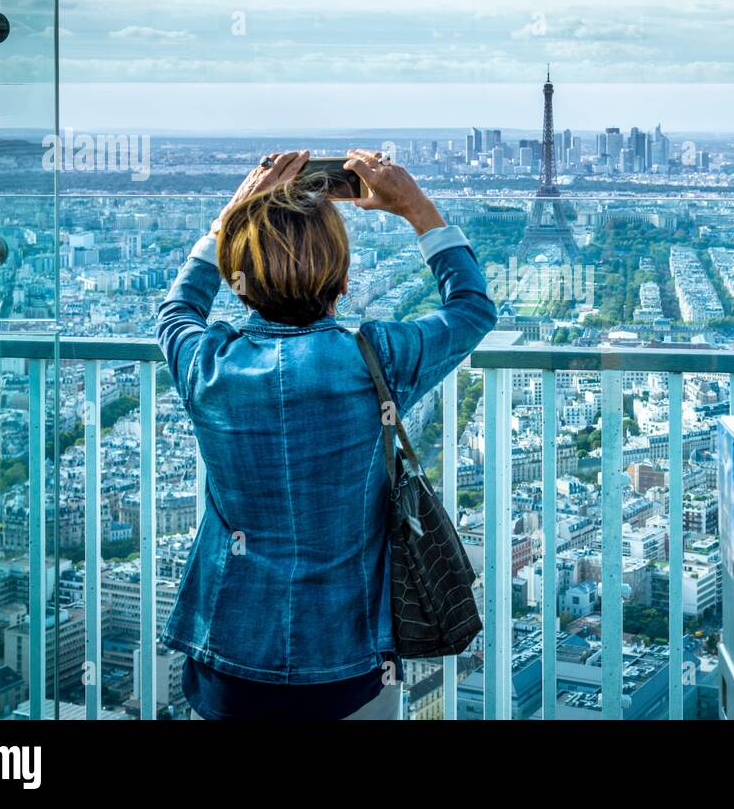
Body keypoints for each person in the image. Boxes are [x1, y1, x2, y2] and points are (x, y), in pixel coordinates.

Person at [155, 148, 497, 719]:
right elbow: (471, 309)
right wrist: (416, 207)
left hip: (228, 657)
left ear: (240, 282)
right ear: (340, 281)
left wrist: (229, 219)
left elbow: (175, 311)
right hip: (350, 658)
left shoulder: (208, 365)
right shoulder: (374, 358)